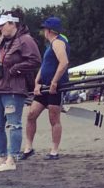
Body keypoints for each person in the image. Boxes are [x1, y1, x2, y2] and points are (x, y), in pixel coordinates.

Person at [0, 12, 40, 172]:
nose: (1, 28)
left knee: (13, 124)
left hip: (13, 89)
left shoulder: (25, 40)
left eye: (3, 25)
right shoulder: (1, 41)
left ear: (12, 24)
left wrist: (15, 69)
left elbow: (35, 60)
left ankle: (12, 158)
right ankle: (1, 156)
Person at [21, 16, 70, 161]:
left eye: (44, 29)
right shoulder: (50, 46)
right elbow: (44, 66)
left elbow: (64, 62)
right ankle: (28, 147)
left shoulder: (59, 43)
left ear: (49, 30)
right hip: (43, 87)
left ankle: (54, 151)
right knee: (31, 115)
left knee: (54, 118)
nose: (43, 32)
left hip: (55, 88)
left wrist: (55, 82)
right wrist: (37, 82)